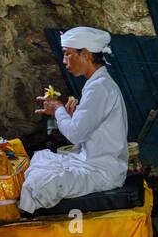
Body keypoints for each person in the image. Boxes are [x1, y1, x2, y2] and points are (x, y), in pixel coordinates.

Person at [19, 26, 128, 213]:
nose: (64, 61)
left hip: (102, 171)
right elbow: (83, 130)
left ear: (85, 54)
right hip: (90, 161)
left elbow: (75, 135)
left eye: (67, 54)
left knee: (39, 183)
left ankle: (29, 229)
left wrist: (58, 109)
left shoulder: (99, 88)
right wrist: (70, 116)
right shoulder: (96, 84)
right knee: (40, 160)